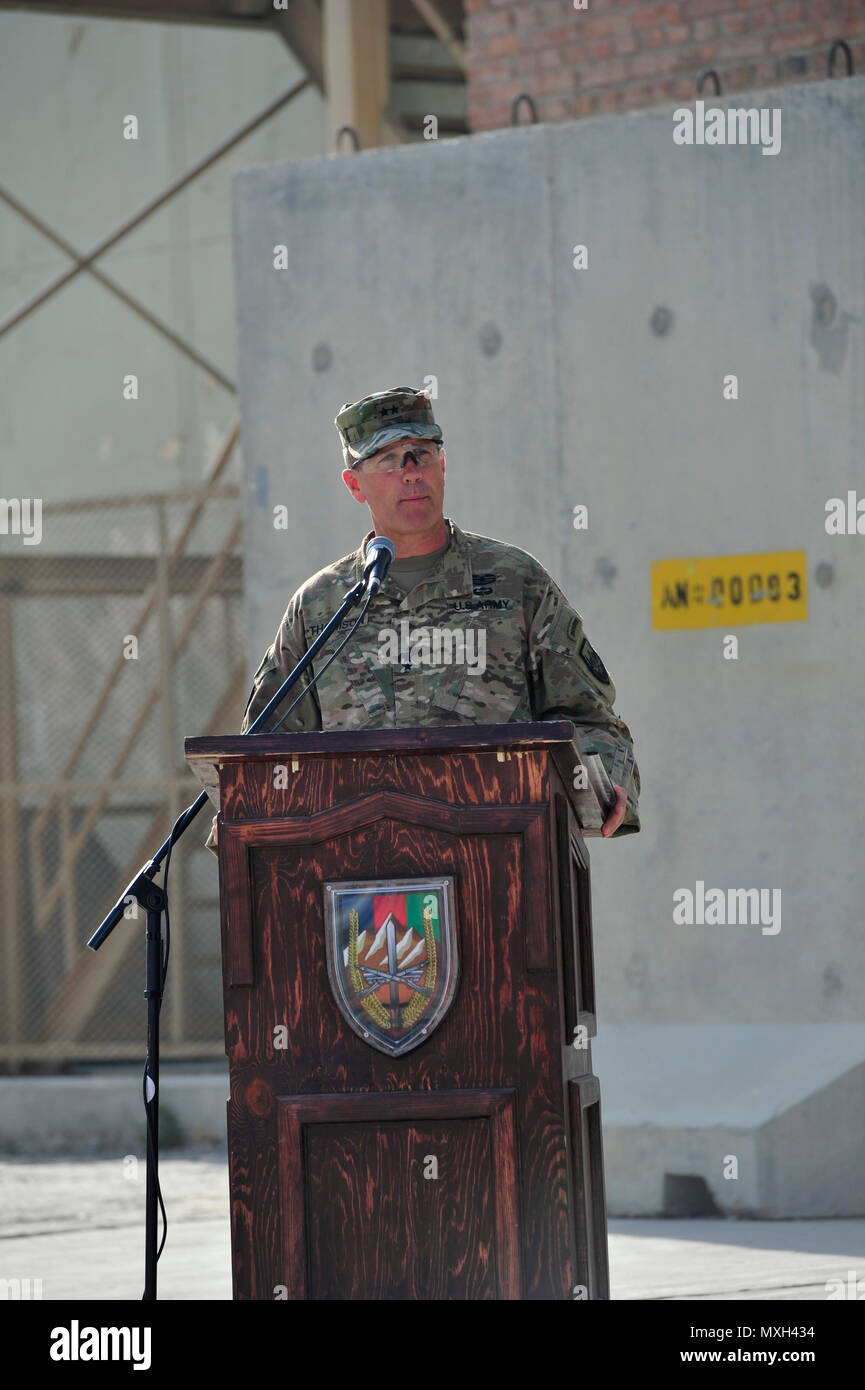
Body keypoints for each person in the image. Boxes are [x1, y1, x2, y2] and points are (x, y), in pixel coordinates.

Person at [206, 386, 641, 853]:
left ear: (443, 468)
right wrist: (243, 816)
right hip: (358, 884)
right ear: (355, 485)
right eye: (388, 460)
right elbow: (266, 755)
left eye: (421, 454)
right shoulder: (321, 607)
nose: (411, 473)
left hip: (502, 866)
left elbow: (590, 720)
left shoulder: (517, 583)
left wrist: (604, 779)